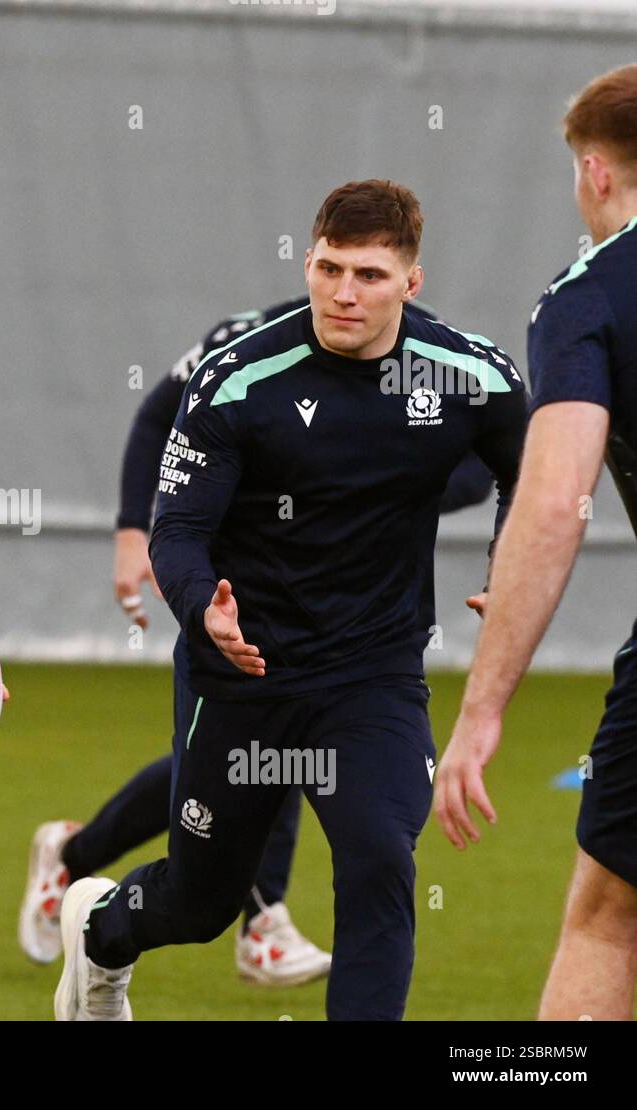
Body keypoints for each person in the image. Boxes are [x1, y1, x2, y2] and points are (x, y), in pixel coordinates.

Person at [53, 179, 526, 1021]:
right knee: (199, 906)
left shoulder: (472, 376)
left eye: (371, 276)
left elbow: (532, 474)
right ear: (307, 262)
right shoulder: (237, 377)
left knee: (381, 862)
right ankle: (98, 930)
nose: (345, 292)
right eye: (330, 268)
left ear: (412, 283)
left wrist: (506, 566)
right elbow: (178, 531)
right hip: (242, 671)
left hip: (372, 675)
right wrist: (204, 607)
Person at [434, 63, 637, 1021]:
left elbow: (555, 501)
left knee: (609, 919)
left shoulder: (588, 296)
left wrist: (480, 711)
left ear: (596, 172)